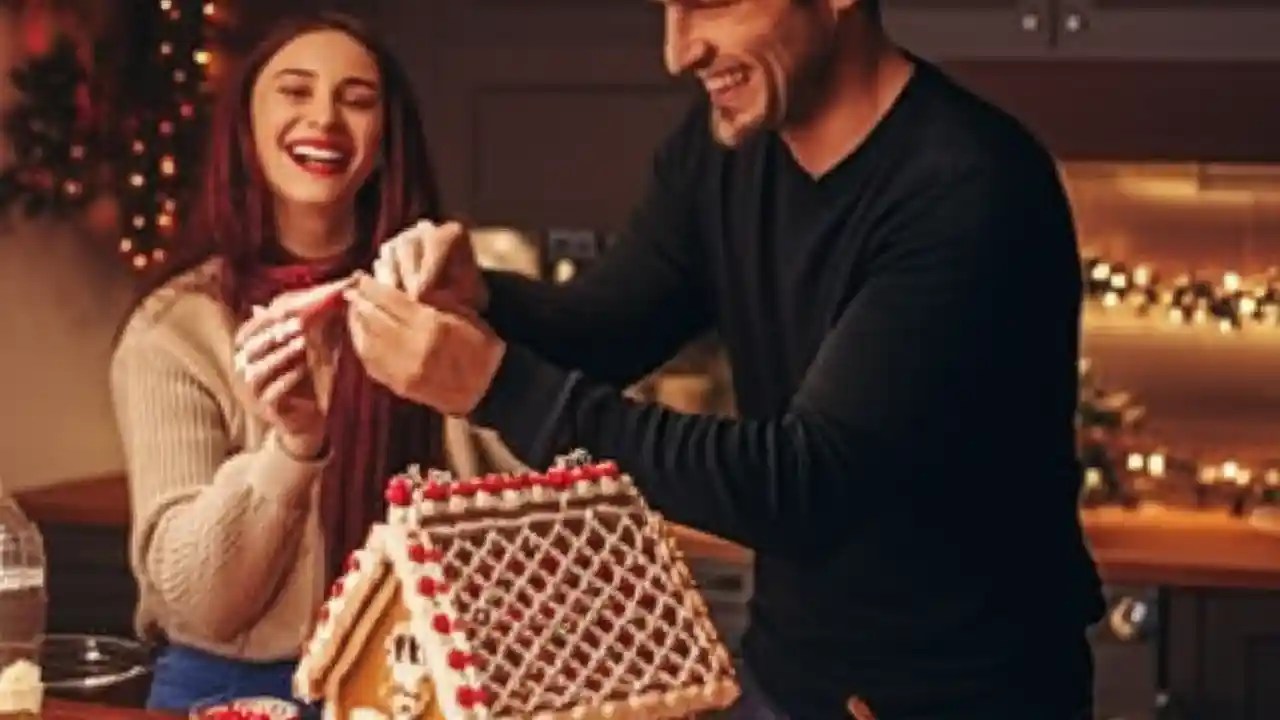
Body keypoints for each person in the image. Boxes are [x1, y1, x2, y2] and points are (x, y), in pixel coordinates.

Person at [344, 0, 1104, 717]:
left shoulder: (968, 186)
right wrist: (482, 299)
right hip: (785, 674)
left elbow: (805, 486)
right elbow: (611, 327)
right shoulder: (721, 154)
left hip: (963, 697)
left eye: (712, 4)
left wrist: (494, 383)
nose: (679, 52)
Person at [109, 13, 447, 714]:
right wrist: (293, 448)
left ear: (385, 141)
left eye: (357, 100)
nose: (324, 117)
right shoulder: (175, 329)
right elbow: (200, 606)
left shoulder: (435, 313)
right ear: (247, 129)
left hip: (416, 682)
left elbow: (512, 524)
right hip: (237, 686)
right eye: (294, 92)